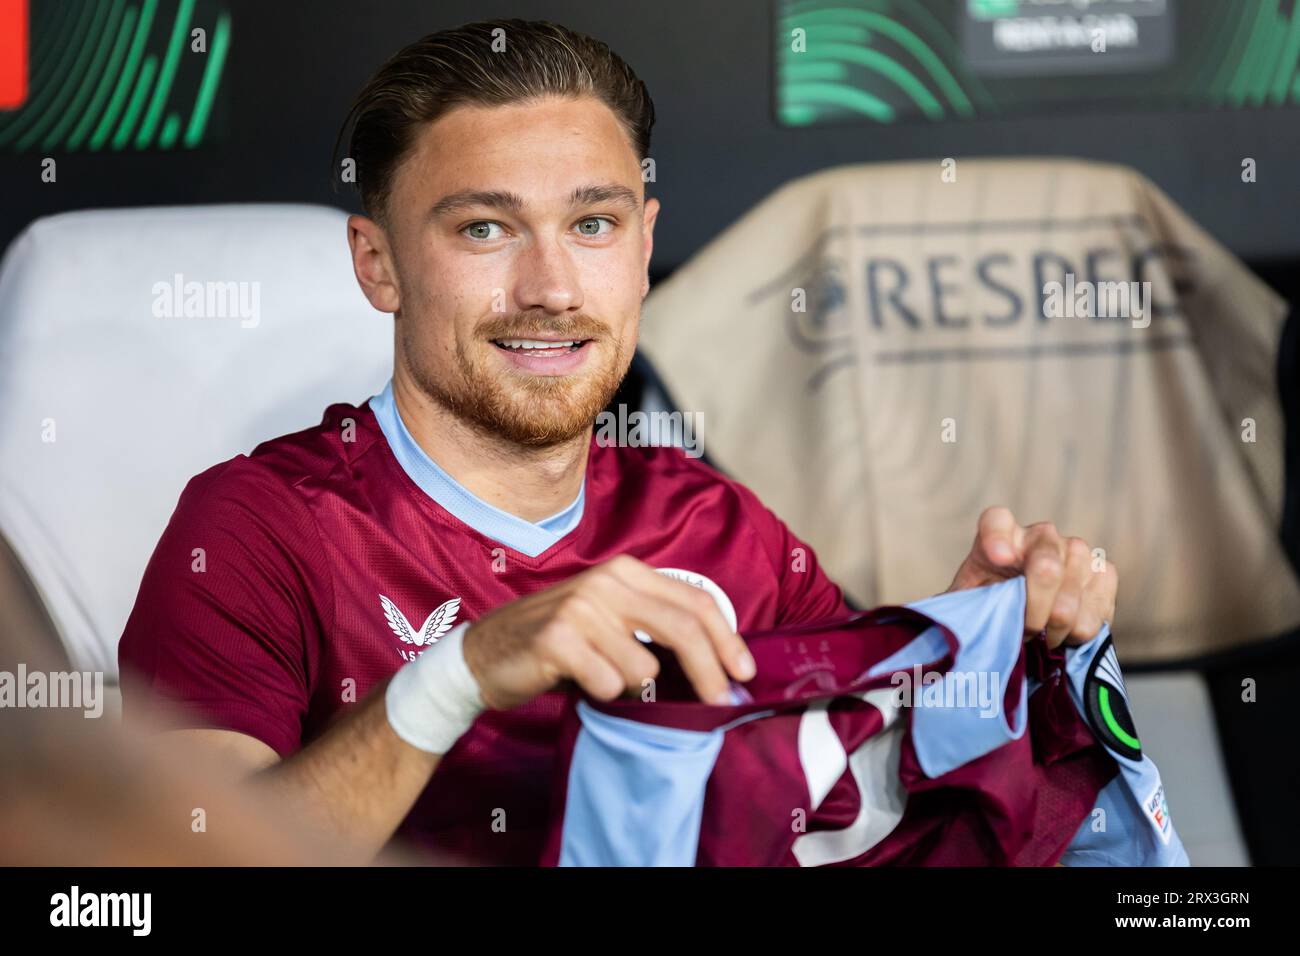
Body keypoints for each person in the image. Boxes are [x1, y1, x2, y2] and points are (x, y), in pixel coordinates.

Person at [118, 19, 1117, 865]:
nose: (551, 287)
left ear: (643, 248)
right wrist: (453, 677)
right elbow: (168, 867)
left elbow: (845, 810)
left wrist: (971, 662)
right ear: (377, 265)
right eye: (483, 230)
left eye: (591, 224)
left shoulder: (716, 521)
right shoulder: (255, 525)